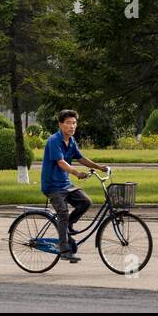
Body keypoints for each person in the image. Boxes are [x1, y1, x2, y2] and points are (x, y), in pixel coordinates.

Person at [40, 110, 108, 262]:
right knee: (63, 212)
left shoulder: (71, 141)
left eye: (74, 123)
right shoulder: (54, 140)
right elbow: (61, 162)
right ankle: (64, 249)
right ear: (60, 124)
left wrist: (99, 167)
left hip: (65, 184)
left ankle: (68, 226)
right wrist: (76, 173)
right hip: (52, 186)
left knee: (85, 202)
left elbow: (81, 158)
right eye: (69, 123)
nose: (72, 126)